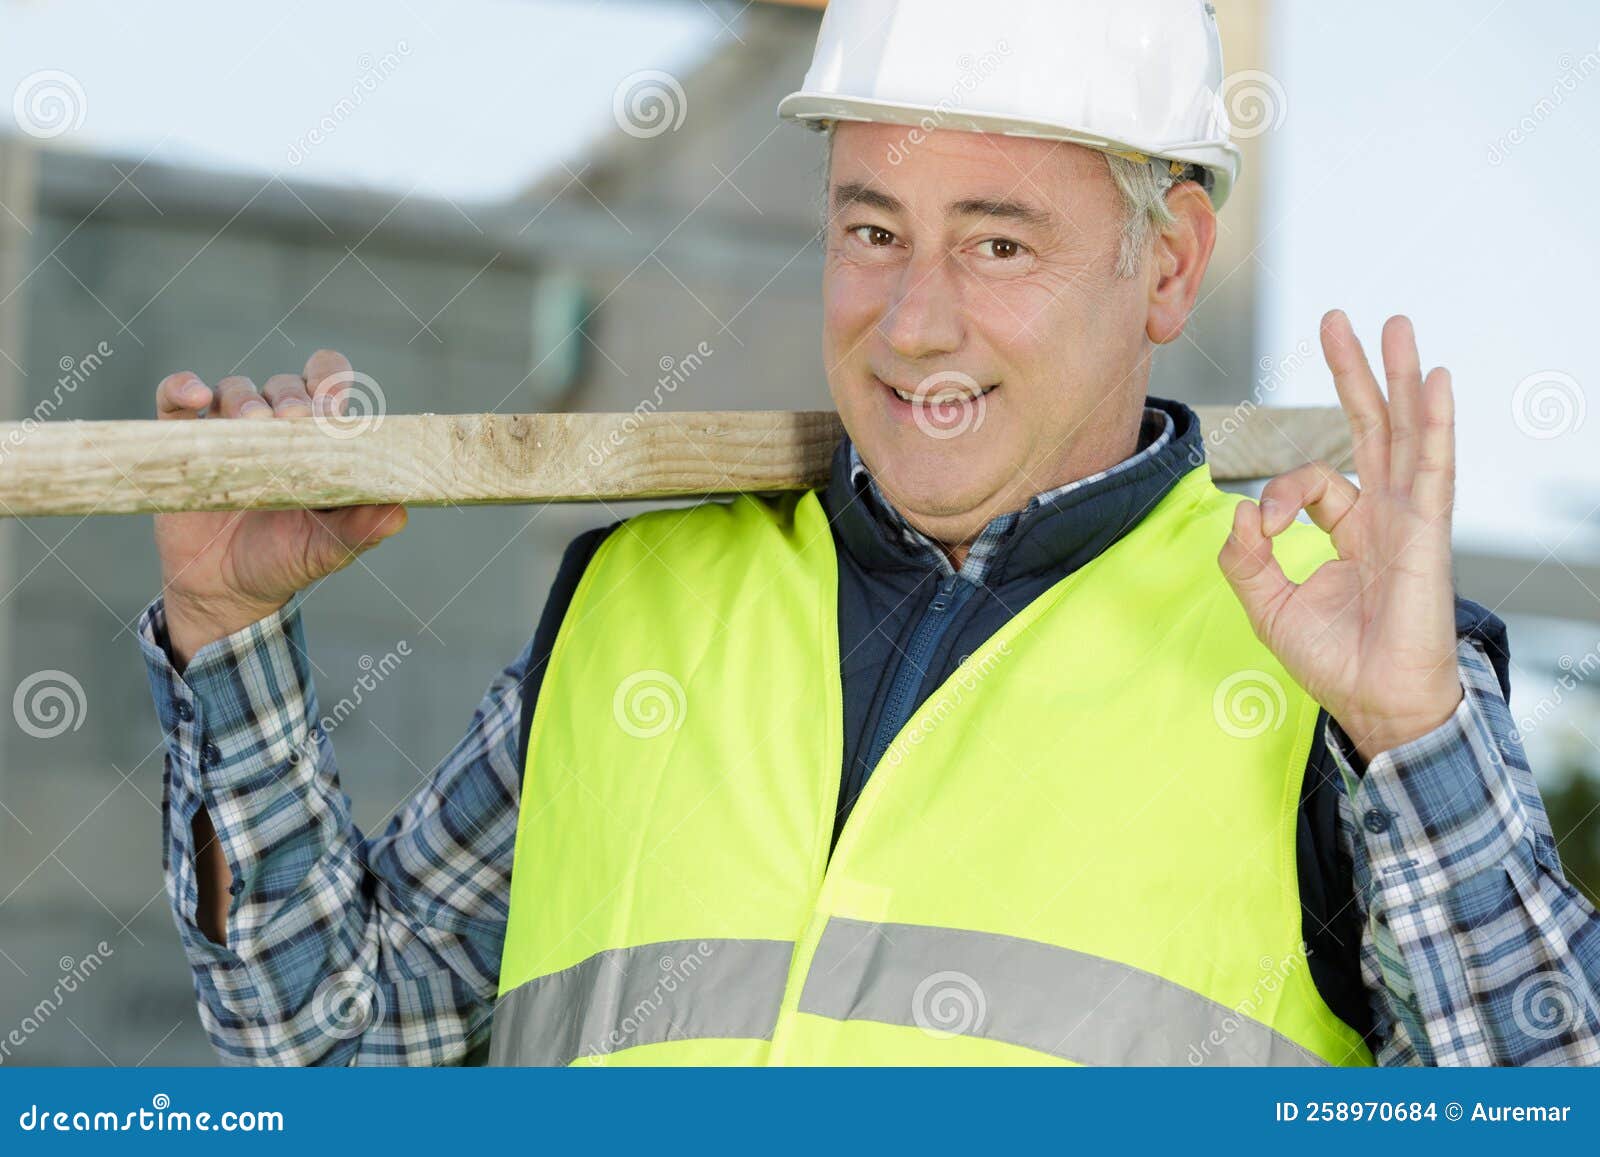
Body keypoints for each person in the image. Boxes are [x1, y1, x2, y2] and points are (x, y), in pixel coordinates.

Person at [138, 0, 1598, 1065]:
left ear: (1167, 265)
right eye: (873, 227)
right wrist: (229, 636)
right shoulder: (635, 609)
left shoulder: (1343, 668)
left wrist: (1414, 737)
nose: (913, 321)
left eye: (999, 240)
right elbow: (333, 1053)